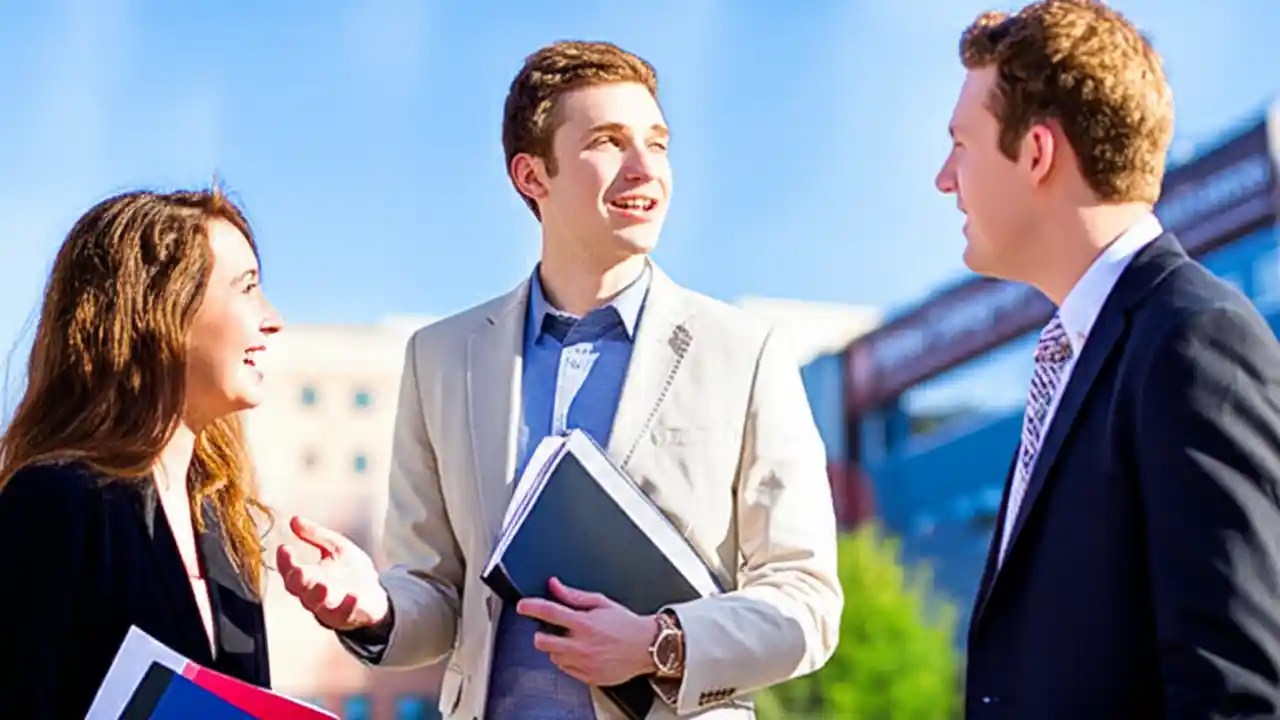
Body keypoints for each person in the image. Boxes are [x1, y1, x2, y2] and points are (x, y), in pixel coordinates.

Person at [276, 40, 842, 719]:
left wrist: (658, 644)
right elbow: (434, 590)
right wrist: (372, 607)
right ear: (531, 176)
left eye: (657, 144)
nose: (645, 169)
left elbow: (805, 600)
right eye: (608, 142)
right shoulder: (440, 358)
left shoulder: (745, 353)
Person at [935, 1, 1280, 716]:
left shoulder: (1194, 341)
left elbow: (1236, 691)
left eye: (961, 144)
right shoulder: (1084, 354)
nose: (945, 177)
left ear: (1036, 152)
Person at [0, 188, 284, 718]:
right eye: (247, 289)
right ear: (160, 310)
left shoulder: (227, 532)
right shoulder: (54, 500)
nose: (272, 320)